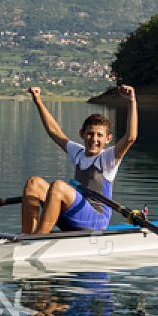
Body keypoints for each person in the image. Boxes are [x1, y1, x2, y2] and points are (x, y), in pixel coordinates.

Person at [21, 84, 137, 234]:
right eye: (90, 134)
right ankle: (25, 237)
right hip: (74, 217)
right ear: (82, 134)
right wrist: (37, 100)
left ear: (108, 139)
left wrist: (132, 101)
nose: (94, 139)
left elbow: (131, 137)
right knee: (33, 183)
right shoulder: (78, 153)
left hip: (95, 221)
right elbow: (54, 131)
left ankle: (37, 238)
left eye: (99, 135)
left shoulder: (108, 158)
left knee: (58, 186)